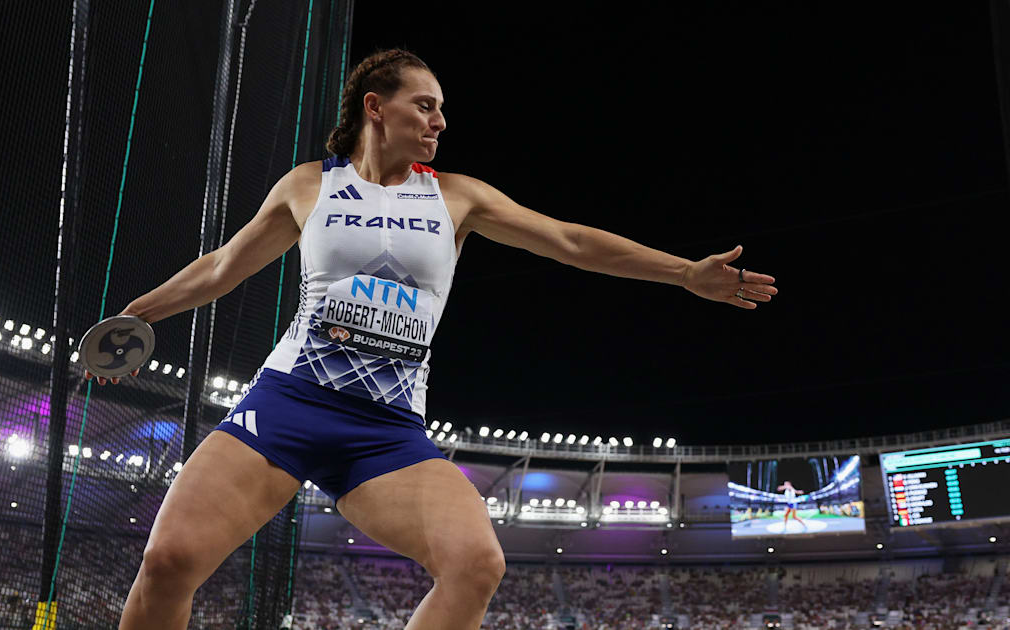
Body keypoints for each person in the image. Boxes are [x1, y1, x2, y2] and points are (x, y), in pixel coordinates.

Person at [93, 48, 778, 630]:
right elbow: (222, 267)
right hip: (289, 403)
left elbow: (571, 242)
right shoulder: (308, 187)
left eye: (441, 110)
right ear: (374, 107)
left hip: (387, 431)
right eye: (425, 105)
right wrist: (139, 314)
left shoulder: (459, 197)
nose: (440, 122)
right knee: (170, 561)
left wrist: (684, 272)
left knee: (476, 563)